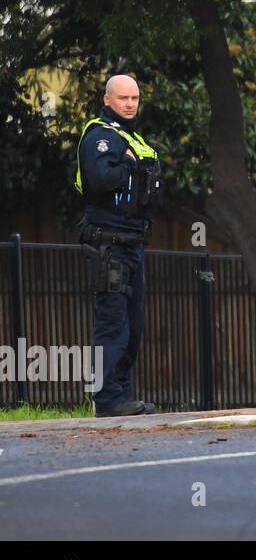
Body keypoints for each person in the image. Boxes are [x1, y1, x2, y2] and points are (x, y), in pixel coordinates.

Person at [75, 74, 163, 417]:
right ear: (107, 99)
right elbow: (100, 180)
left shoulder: (132, 138)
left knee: (133, 325)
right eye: (123, 98)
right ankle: (107, 399)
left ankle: (123, 397)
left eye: (135, 98)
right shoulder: (100, 136)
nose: (130, 104)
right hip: (109, 243)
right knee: (113, 323)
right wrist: (126, 161)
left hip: (133, 242)